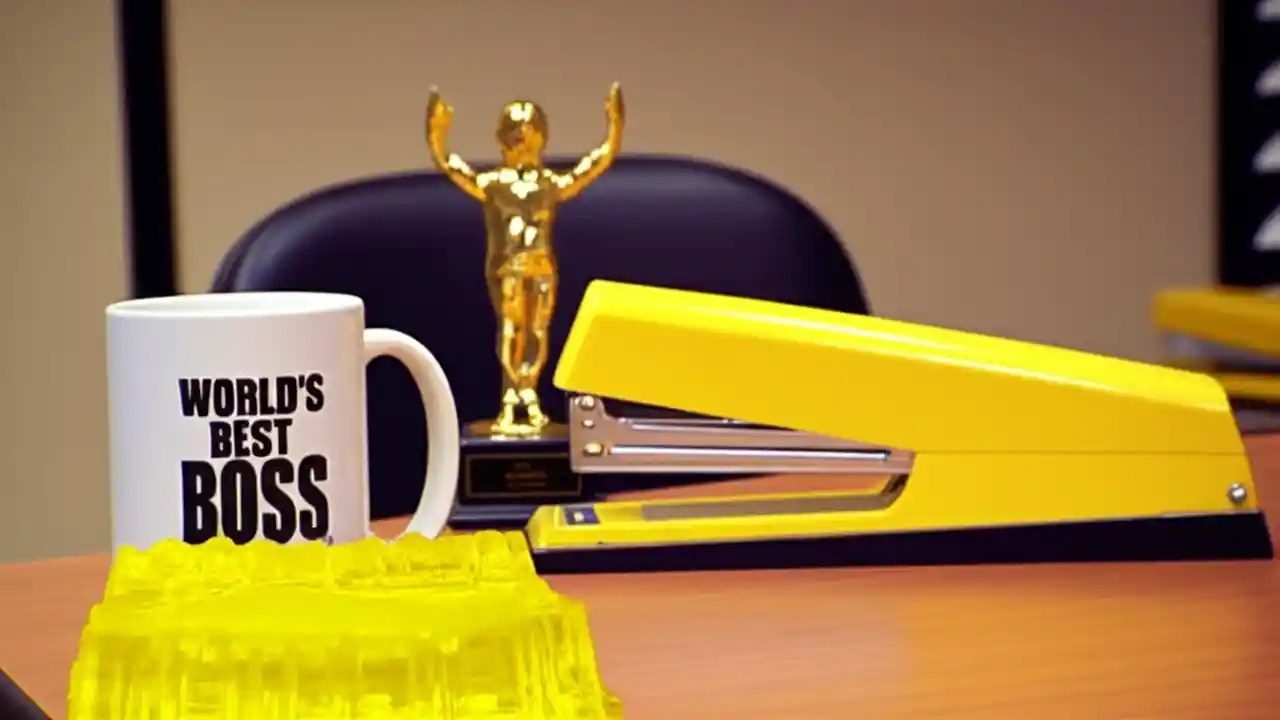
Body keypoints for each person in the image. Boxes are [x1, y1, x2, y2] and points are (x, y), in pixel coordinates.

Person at [426, 83, 625, 435]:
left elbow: (592, 166)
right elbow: (452, 167)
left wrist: (614, 129)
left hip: (541, 266)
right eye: (515, 127)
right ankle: (513, 397)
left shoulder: (548, 185)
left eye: (529, 127)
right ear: (503, 136)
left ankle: (527, 394)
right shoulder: (494, 185)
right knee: (511, 329)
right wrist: (436, 135)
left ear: (541, 136)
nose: (522, 134)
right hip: (508, 269)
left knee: (536, 331)